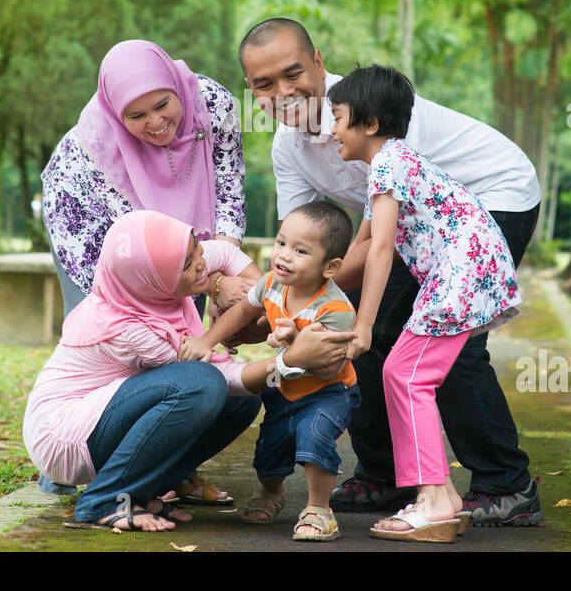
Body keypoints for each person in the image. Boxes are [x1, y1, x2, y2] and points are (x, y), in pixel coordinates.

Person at [238, 17, 543, 526]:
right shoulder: (287, 147)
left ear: (319, 64)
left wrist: (313, 303)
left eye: (293, 73)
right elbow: (305, 240)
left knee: (446, 342)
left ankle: (507, 486)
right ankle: (383, 476)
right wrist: (270, 300)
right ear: (251, 89)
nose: (283, 92)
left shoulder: (374, 110)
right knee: (371, 336)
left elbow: (372, 246)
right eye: (264, 84)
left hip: (490, 202)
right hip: (420, 230)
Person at [23, 210, 343, 532]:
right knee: (203, 385)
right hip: (65, 438)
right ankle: (105, 501)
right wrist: (291, 361)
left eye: (196, 250)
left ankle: (144, 492)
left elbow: (228, 254)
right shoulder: (130, 330)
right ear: (154, 280)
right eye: (187, 265)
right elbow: (224, 379)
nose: (201, 262)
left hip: (105, 411)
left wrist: (267, 302)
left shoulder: (165, 273)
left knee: (242, 402)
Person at [37, 39, 254, 500]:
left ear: (177, 88)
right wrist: (212, 278)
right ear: (118, 116)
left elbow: (228, 187)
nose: (155, 123)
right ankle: (77, 464)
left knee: (190, 354)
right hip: (98, 231)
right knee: (125, 347)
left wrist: (224, 277)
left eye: (162, 105)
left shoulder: (213, 103)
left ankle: (168, 471)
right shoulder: (90, 148)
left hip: (177, 241)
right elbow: (147, 247)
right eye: (136, 117)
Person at [327, 66, 521, 542]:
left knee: (406, 375)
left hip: (463, 270)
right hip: (464, 269)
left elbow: (380, 249)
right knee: (404, 373)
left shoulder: (389, 164)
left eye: (337, 117)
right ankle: (443, 497)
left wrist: (365, 325)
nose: (331, 130)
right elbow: (366, 245)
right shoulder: (391, 164)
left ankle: (433, 498)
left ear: (368, 124)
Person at [179, 200, 361, 541]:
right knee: (269, 451)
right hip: (284, 388)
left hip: (328, 391)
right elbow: (244, 312)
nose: (284, 255)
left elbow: (328, 365)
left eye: (300, 250)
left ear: (331, 266)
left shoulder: (336, 310)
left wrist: (295, 342)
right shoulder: (273, 283)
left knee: (314, 437)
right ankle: (271, 493)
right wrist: (208, 340)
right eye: (281, 243)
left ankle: (320, 509)